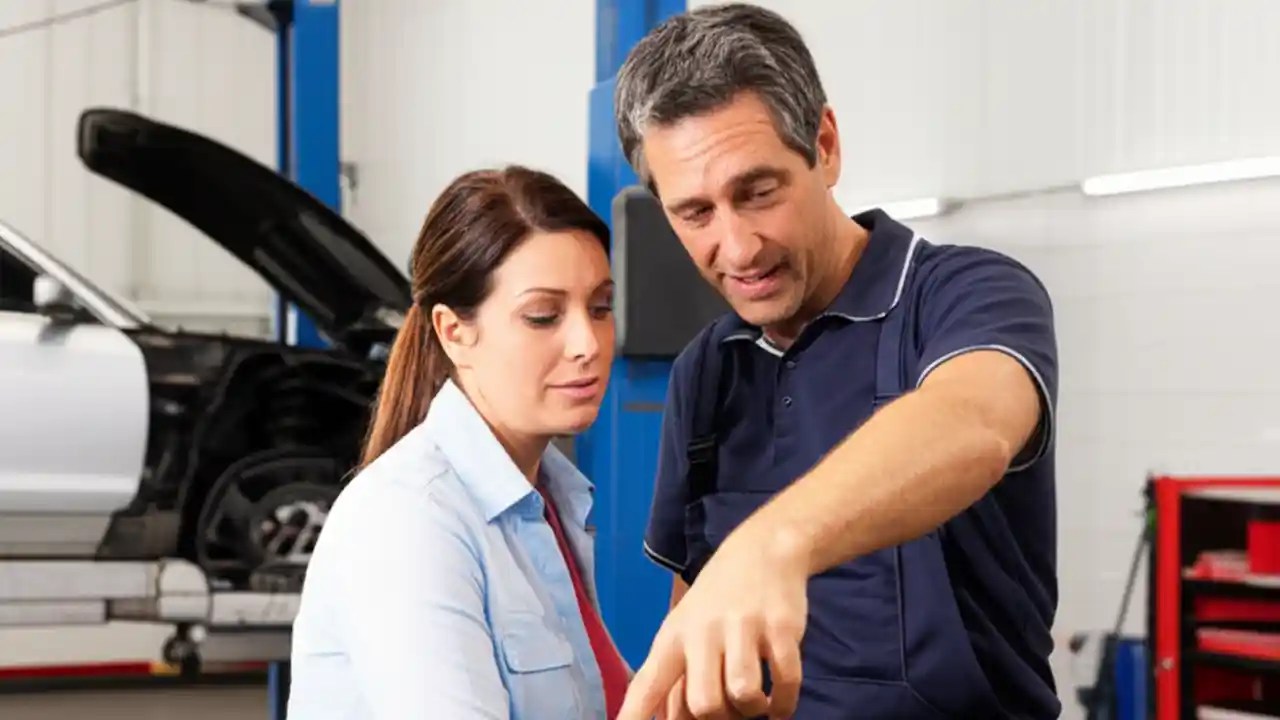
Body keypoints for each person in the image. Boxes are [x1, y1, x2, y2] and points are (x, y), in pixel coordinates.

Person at [612, 4, 1060, 719]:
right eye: (694, 214)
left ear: (823, 145)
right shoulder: (708, 368)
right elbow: (701, 615)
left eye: (758, 193)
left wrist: (775, 543)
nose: (737, 248)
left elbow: (972, 419)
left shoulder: (966, 294)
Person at [287, 166, 631, 719]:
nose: (586, 343)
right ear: (454, 332)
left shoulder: (546, 506)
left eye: (600, 307)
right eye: (543, 316)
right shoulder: (409, 520)